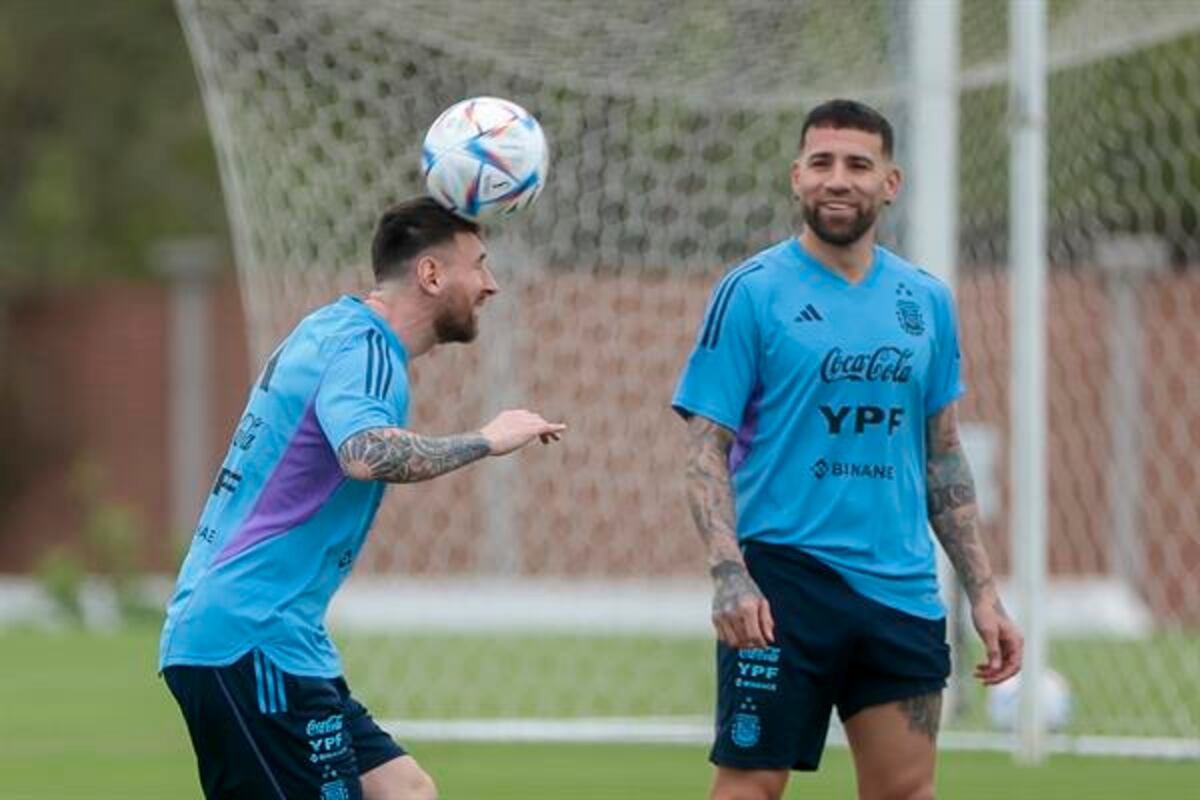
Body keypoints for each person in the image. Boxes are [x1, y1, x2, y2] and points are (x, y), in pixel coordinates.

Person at [673, 99, 1023, 800]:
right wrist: (729, 574)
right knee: (748, 788)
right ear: (796, 177)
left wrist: (983, 595)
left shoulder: (927, 301)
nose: (838, 179)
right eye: (822, 163)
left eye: (858, 165)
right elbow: (704, 450)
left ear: (890, 183)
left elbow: (943, 455)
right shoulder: (752, 292)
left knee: (906, 792)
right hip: (783, 586)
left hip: (903, 590)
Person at [159, 197, 565, 800]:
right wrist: (487, 439)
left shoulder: (334, 328)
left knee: (407, 792)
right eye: (479, 264)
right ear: (431, 274)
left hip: (275, 637)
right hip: (251, 638)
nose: (492, 284)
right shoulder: (366, 348)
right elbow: (365, 453)